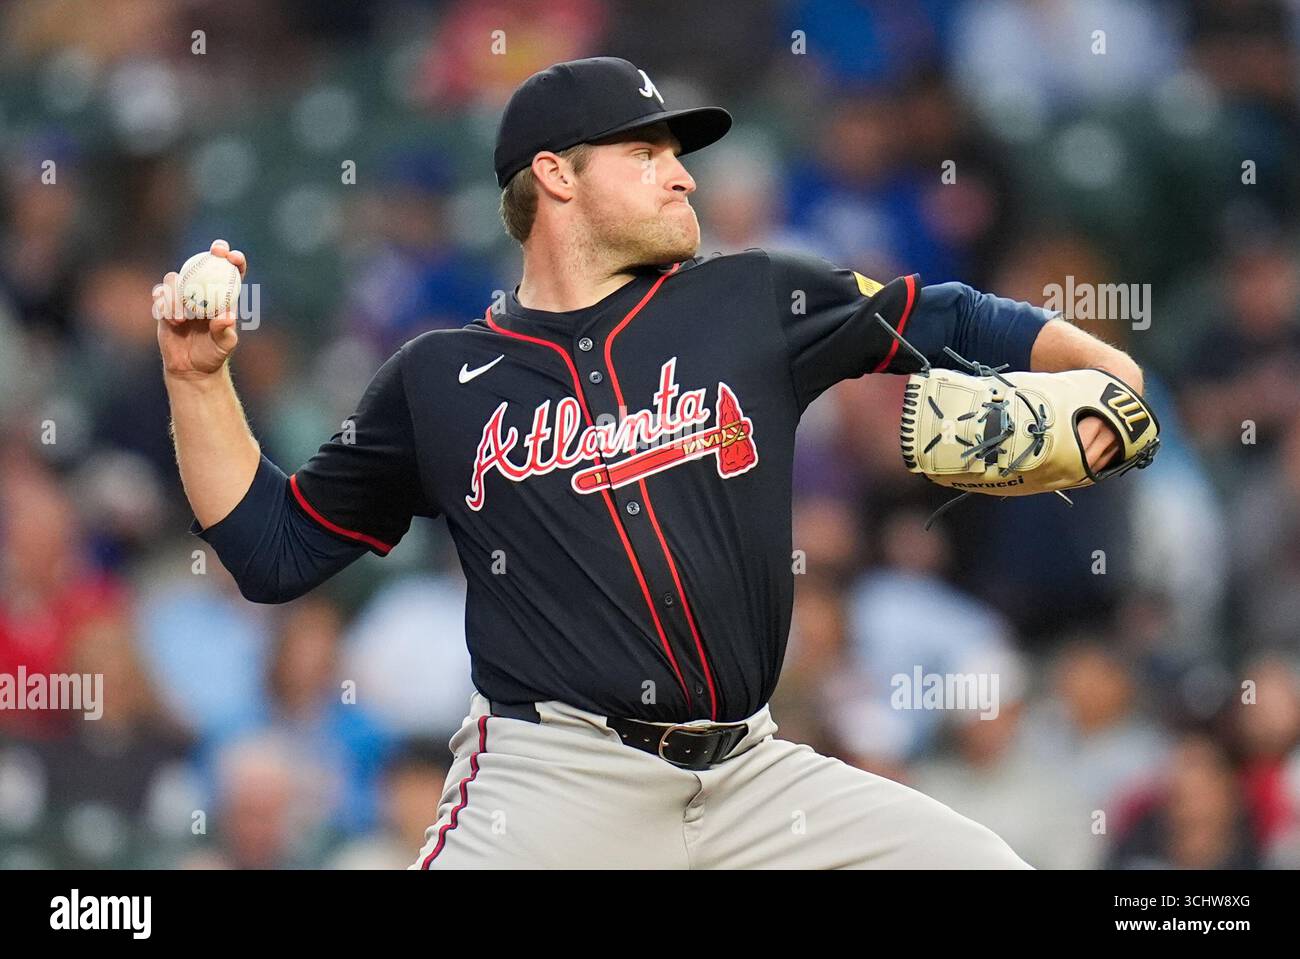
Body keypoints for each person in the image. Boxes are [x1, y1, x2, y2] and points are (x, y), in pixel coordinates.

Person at [153, 57, 1143, 869]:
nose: (683, 174)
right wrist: (199, 385)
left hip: (752, 775)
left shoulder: (751, 299)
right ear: (555, 175)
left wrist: (1103, 363)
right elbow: (272, 551)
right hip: (554, 783)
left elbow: (950, 314)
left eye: (677, 155)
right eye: (647, 152)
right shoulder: (441, 379)